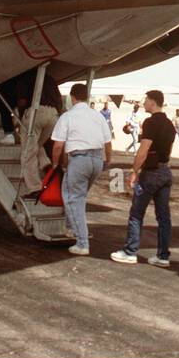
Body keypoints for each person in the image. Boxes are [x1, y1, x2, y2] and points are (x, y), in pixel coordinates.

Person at [111, 90, 176, 266]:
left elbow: (143, 149)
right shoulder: (170, 125)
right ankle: (163, 256)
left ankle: (130, 251)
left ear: (153, 102)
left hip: (151, 172)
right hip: (165, 171)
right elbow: (168, 151)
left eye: (146, 100)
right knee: (163, 216)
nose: (144, 103)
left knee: (136, 213)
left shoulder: (150, 122)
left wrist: (134, 171)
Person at [50, 82, 113, 256]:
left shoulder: (68, 116)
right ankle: (71, 227)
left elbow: (58, 146)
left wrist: (56, 164)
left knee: (72, 198)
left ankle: (82, 243)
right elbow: (108, 142)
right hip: (97, 160)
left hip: (80, 159)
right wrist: (107, 161)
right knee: (76, 194)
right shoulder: (98, 116)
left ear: (73, 97)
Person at [19, 79, 62, 200]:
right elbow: (59, 100)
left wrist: (22, 118)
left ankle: (35, 188)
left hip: (35, 112)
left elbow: (22, 101)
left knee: (28, 153)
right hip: (53, 114)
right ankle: (46, 165)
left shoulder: (26, 76)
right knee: (37, 145)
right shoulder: (50, 79)